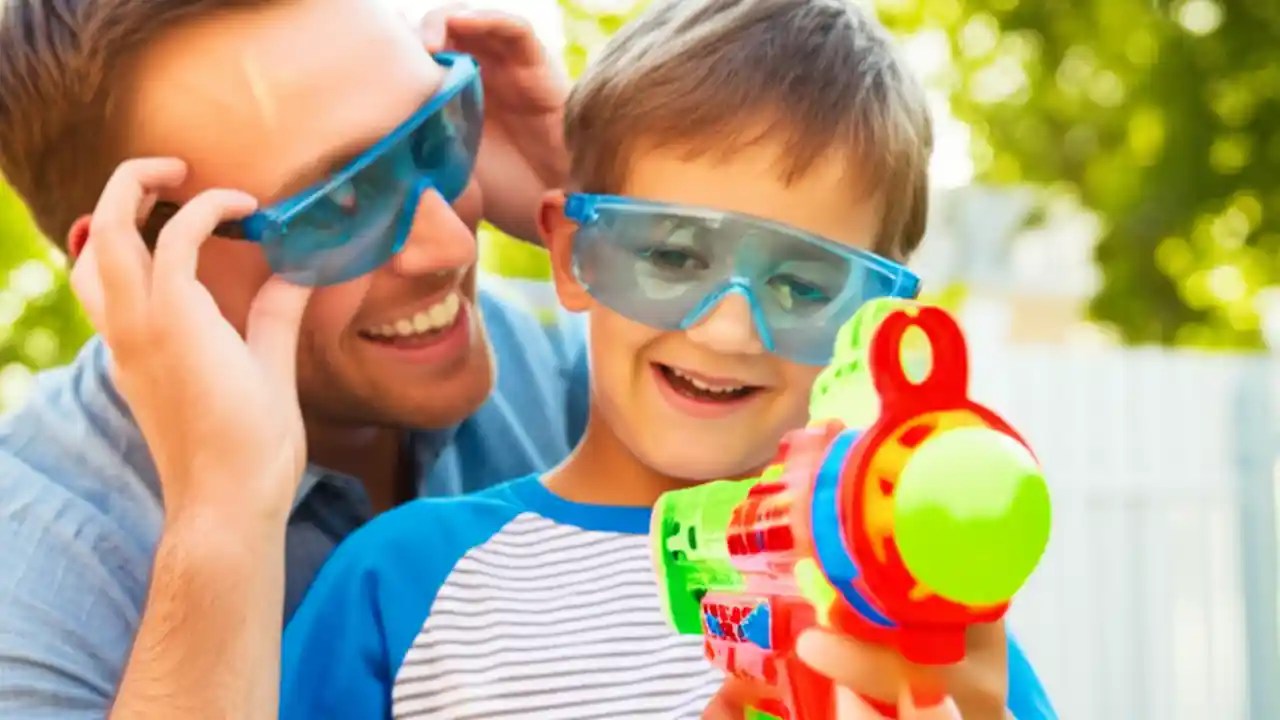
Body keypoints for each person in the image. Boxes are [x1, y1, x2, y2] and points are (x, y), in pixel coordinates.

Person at [275, 1, 1056, 719]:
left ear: (873, 326)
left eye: (801, 285)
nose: (727, 333)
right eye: (675, 257)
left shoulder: (902, 598)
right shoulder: (396, 580)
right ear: (573, 252)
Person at [0, 1, 584, 716]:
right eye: (337, 203)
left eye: (435, 130)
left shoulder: (552, 355)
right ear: (132, 266)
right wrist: (223, 526)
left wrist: (613, 220)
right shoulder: (32, 576)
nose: (452, 248)